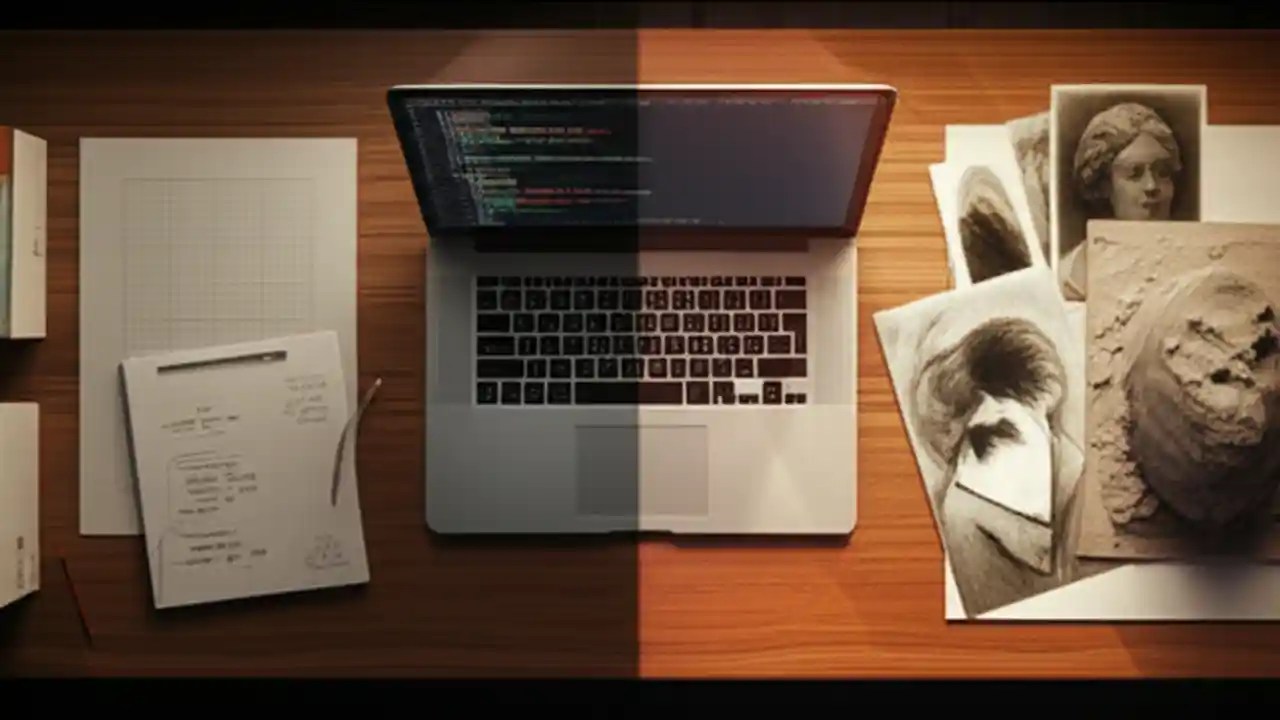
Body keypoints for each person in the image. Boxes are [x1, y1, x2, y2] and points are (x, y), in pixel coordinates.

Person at [1061, 102, 1183, 297]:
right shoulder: (1073, 275)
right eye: (1134, 174)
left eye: (1163, 173)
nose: (1152, 186)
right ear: (1104, 185)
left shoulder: (1189, 265)